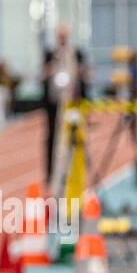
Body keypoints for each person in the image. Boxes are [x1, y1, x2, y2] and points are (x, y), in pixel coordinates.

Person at [41, 24, 88, 187]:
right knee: (53, 137)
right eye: (59, 35)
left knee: (76, 136)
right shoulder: (50, 54)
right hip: (54, 102)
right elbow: (42, 74)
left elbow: (84, 74)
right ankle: (51, 174)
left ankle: (77, 172)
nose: (62, 38)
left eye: (64, 35)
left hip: (73, 102)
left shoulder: (76, 53)